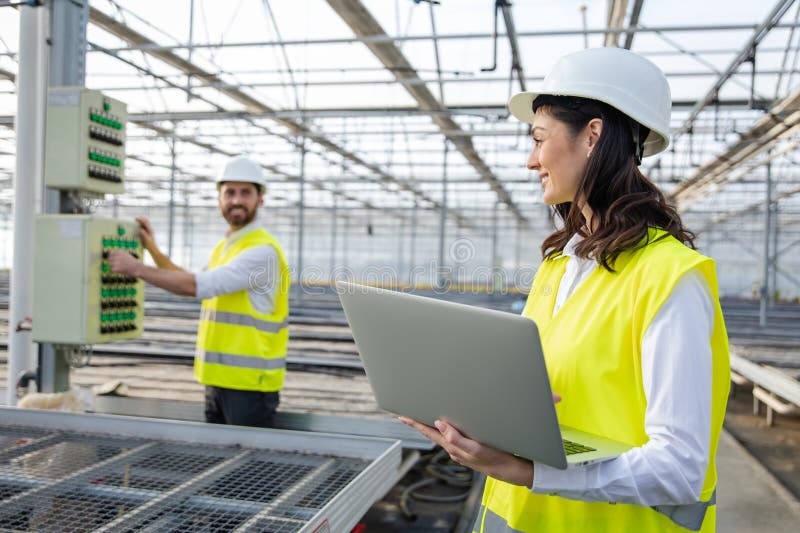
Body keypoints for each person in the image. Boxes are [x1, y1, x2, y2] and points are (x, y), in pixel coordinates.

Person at [401, 47, 730, 532]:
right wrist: (483, 411)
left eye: (539, 138)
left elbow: (679, 469)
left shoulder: (671, 278)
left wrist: (529, 472)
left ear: (592, 135)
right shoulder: (558, 266)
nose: (531, 160)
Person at [109, 156, 290, 428]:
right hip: (218, 380)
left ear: (260, 199)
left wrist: (136, 268)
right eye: (229, 192)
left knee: (245, 456)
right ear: (219, 199)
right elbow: (188, 278)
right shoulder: (227, 247)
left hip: (250, 386)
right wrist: (153, 249)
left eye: (245, 193)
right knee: (217, 452)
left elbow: (196, 285)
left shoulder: (262, 251)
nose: (236, 200)